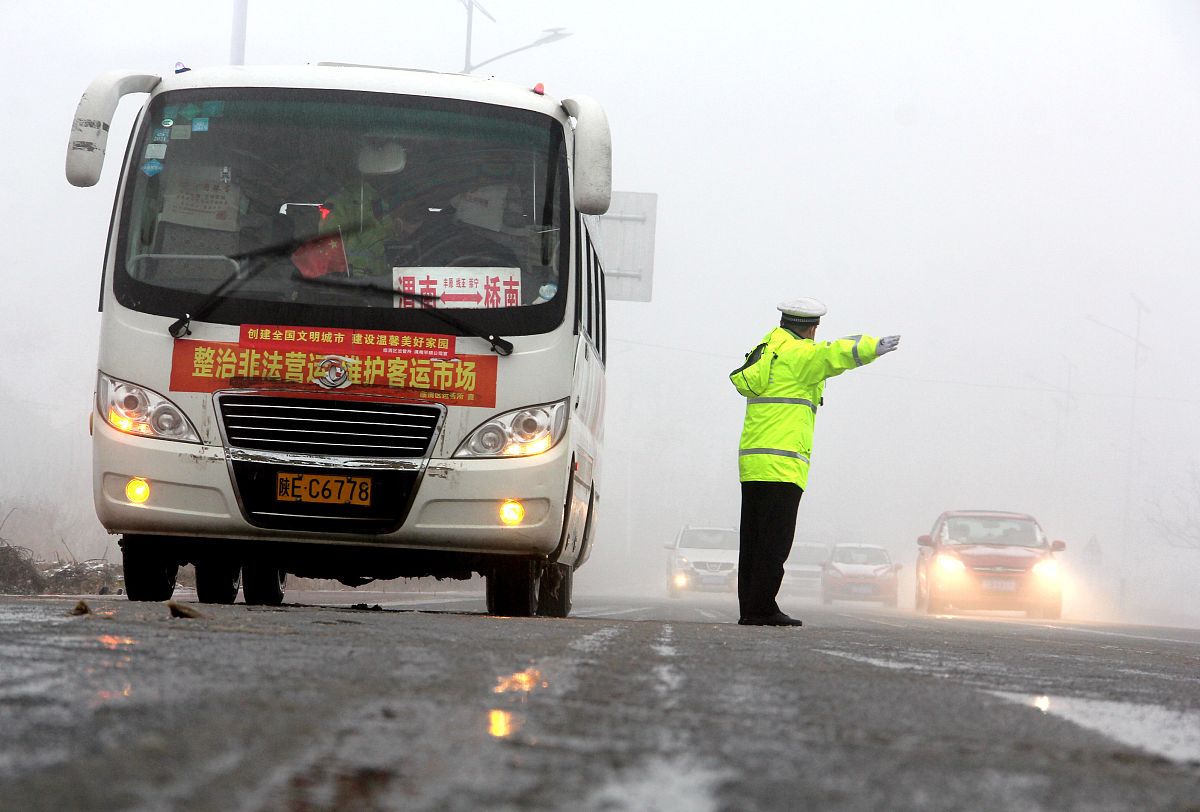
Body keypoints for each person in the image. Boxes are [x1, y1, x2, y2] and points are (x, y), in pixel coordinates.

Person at [731, 298, 900, 626]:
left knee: (752, 541)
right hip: (783, 465)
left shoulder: (766, 349)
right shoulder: (800, 355)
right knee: (775, 542)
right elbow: (834, 353)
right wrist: (872, 347)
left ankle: (750, 607)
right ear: (811, 327)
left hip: (754, 462)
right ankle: (763, 608)